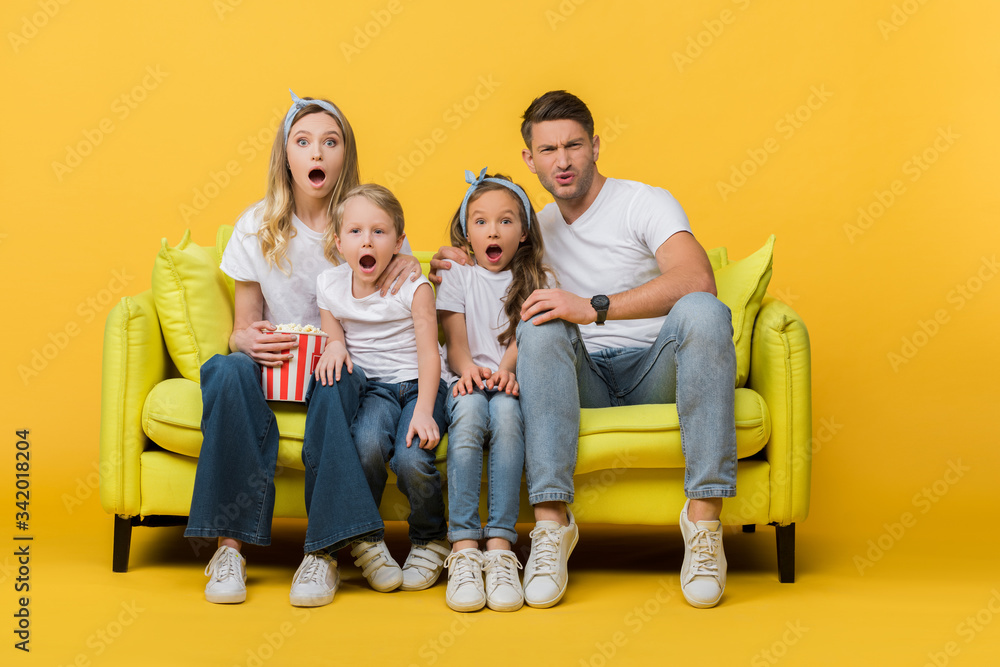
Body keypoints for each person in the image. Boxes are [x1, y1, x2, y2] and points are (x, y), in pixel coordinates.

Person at [431, 90, 737, 609]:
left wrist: (593, 307)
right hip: (579, 379)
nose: (563, 161)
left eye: (573, 145)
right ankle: (552, 527)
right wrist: (449, 258)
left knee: (705, 310)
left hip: (655, 368)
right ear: (530, 159)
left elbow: (696, 277)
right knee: (540, 323)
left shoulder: (644, 201)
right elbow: (486, 254)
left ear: (595, 146)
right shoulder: (532, 227)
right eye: (548, 150)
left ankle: (703, 526)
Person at [184, 92, 420, 607]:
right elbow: (242, 326)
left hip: (339, 364)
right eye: (304, 142)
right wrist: (244, 339)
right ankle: (228, 550)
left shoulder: (361, 221)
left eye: (330, 142)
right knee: (225, 370)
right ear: (286, 155)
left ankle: (322, 553)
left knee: (336, 378)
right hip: (276, 363)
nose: (317, 152)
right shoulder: (256, 225)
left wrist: (418, 261)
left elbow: (401, 280)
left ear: (344, 155)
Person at [312, 183, 451, 594]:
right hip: (373, 390)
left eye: (379, 231)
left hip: (421, 386)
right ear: (338, 242)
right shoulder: (330, 285)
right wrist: (335, 345)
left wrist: (424, 410)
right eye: (355, 231)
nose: (367, 241)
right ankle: (366, 536)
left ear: (399, 240)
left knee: (411, 457)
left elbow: (430, 354)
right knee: (367, 446)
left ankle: (430, 537)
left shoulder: (415, 287)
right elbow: (333, 335)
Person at [436, 169, 551, 612]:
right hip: (464, 378)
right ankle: (464, 546)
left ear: (523, 232)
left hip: (511, 381)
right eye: (481, 221)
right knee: (468, 417)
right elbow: (454, 344)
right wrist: (468, 371)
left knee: (505, 415)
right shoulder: (458, 276)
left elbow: (528, 338)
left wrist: (505, 371)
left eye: (505, 221)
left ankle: (500, 546)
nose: (493, 231)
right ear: (467, 232)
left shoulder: (540, 279)